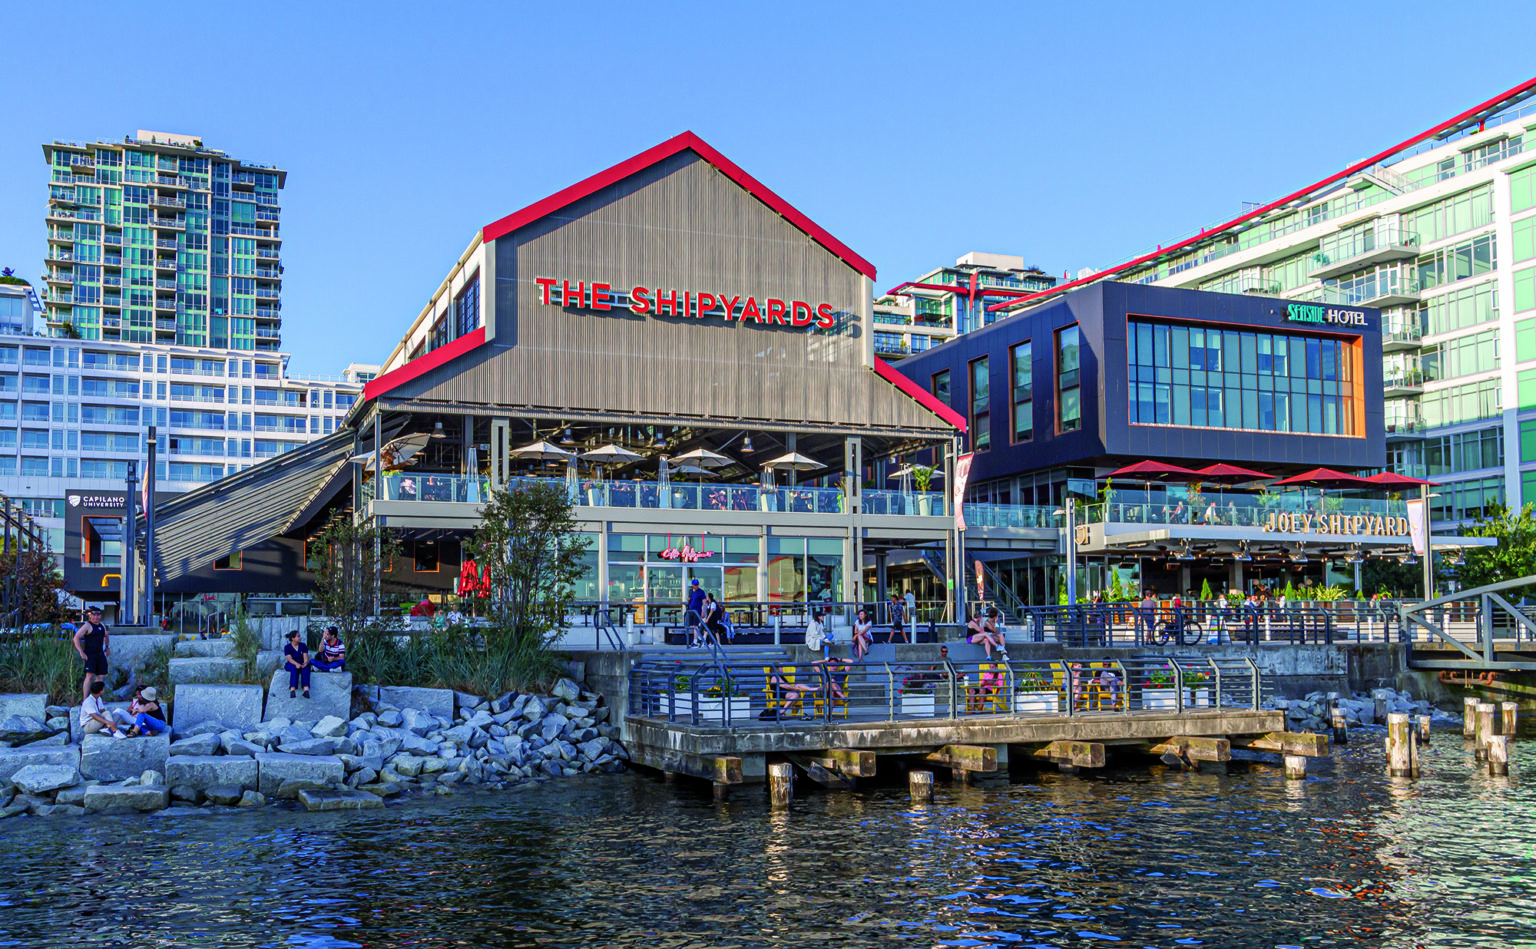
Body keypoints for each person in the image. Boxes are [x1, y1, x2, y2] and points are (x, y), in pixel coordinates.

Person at [73, 605, 110, 702]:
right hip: (90, 654)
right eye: (93, 615)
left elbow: (106, 636)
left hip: (100, 653)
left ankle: (96, 697)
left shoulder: (102, 625)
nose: (95, 617)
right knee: (89, 676)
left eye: (98, 615)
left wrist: (107, 647)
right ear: (90, 616)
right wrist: (81, 652)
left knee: (101, 675)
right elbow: (76, 638)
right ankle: (85, 699)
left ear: (100, 616)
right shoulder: (87, 625)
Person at [283, 629, 311, 699]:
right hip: (291, 663)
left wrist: (305, 663)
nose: (300, 637)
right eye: (298, 636)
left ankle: (306, 690)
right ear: (293, 638)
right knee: (294, 668)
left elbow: (305, 657)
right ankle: (292, 689)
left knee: (306, 668)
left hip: (301, 663)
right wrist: (296, 664)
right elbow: (289, 659)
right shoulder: (287, 647)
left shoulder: (303, 645)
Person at [684, 579, 706, 647]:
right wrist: (688, 600)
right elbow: (689, 599)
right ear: (693, 585)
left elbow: (704, 603)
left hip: (697, 610)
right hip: (691, 610)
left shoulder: (701, 592)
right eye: (695, 585)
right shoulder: (691, 591)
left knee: (695, 626)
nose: (696, 586)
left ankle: (695, 641)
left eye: (697, 584)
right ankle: (699, 637)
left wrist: (703, 611)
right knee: (691, 626)